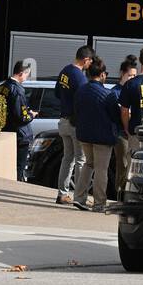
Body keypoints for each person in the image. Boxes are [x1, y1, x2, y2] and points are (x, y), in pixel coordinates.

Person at [73, 60, 120, 212]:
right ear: (102, 75)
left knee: (88, 164)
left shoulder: (80, 90)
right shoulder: (108, 94)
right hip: (103, 137)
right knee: (101, 169)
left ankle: (79, 197)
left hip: (84, 135)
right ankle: (99, 203)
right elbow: (115, 116)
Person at [54, 44, 94, 205]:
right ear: (85, 60)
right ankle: (80, 196)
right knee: (81, 160)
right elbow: (84, 101)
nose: (90, 64)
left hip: (63, 120)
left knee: (67, 158)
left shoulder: (65, 71)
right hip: (75, 123)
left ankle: (62, 194)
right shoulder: (80, 78)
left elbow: (57, 93)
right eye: (90, 61)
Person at [0, 60, 37, 182]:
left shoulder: (2, 87)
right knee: (19, 168)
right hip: (20, 134)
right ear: (21, 73)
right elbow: (22, 116)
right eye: (27, 74)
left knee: (7, 166)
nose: (27, 77)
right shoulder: (17, 90)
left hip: (6, 131)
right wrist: (32, 115)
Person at [111, 55, 138, 197]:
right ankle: (119, 195)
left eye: (135, 75)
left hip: (133, 134)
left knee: (133, 167)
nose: (132, 78)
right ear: (122, 74)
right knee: (122, 166)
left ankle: (129, 195)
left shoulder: (134, 90)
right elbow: (120, 115)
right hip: (121, 134)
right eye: (130, 75)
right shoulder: (115, 92)